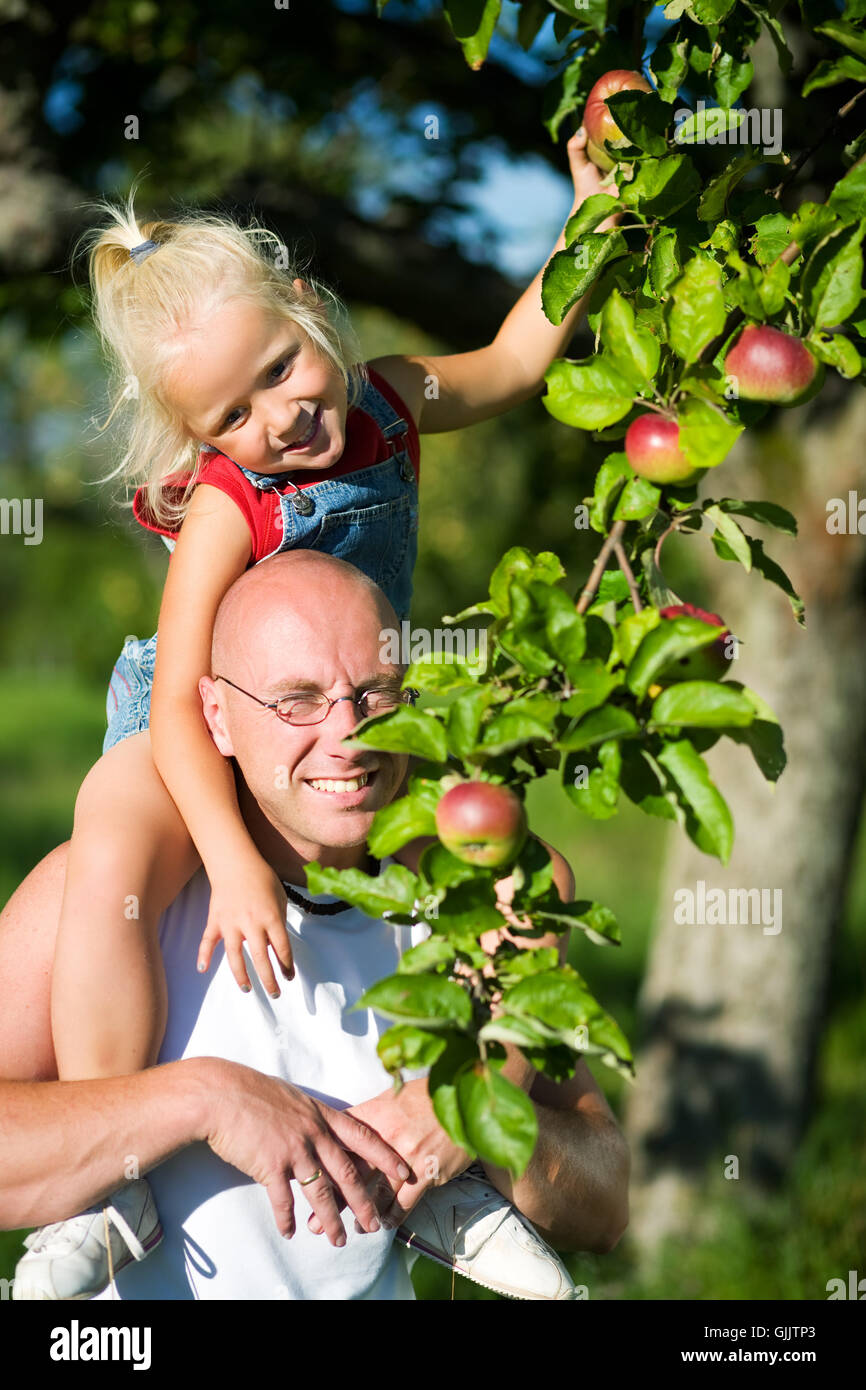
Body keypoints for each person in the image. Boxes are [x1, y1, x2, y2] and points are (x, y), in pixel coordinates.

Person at [28, 129, 619, 1295]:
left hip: (346, 706)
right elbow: (184, 707)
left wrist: (591, 215)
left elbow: (512, 358)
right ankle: (109, 1180)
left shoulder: (393, 400)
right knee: (110, 840)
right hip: (198, 720)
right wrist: (225, 861)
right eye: (230, 417)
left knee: (494, 869)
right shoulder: (224, 505)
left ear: (309, 310)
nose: (277, 419)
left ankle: (449, 1152)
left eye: (280, 368)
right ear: (201, 443)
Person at [1, 553, 629, 1300]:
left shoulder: (466, 921)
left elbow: (605, 1198)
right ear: (215, 717)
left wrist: (470, 1119)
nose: (349, 735)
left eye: (374, 694)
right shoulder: (113, 898)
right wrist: (200, 1099)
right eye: (296, 700)